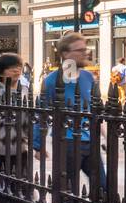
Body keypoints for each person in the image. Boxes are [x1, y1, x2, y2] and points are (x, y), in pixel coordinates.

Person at [33, 32, 104, 191]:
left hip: (90, 142)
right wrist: (38, 145)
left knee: (103, 189)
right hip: (67, 143)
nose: (85, 53)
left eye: (85, 49)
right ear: (65, 54)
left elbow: (96, 112)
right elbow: (40, 115)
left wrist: (106, 137)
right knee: (68, 192)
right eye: (80, 50)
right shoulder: (52, 81)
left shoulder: (88, 77)